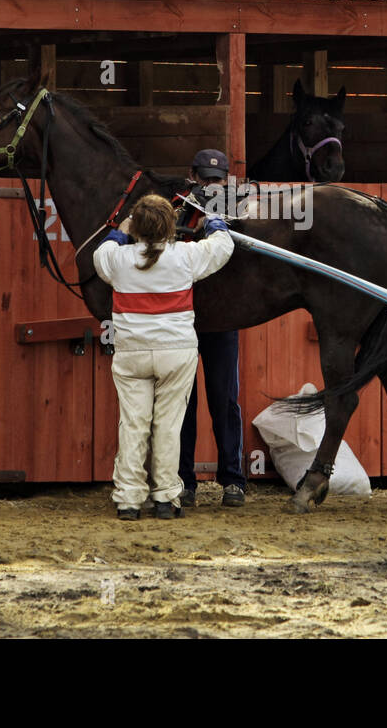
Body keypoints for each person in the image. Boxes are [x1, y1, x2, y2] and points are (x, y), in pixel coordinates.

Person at [94, 193, 234, 520]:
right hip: (176, 352)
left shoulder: (117, 258)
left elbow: (101, 253)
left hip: (132, 354)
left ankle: (128, 500)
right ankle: (166, 498)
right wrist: (212, 222)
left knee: (133, 424)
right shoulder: (185, 255)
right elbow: (222, 247)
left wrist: (121, 231)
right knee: (169, 426)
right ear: (170, 226)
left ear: (137, 227)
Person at [174, 149, 248, 508]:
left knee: (224, 401)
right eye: (207, 179)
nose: (212, 185)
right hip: (182, 319)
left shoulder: (239, 210)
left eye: (218, 180)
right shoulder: (174, 209)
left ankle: (233, 480)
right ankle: (184, 481)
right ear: (193, 176)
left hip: (221, 321)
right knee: (183, 404)